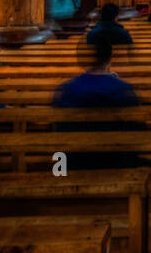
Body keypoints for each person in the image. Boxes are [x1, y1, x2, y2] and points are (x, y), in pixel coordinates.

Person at [52, 37, 142, 170]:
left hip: (73, 161)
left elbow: (57, 128)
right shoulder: (123, 90)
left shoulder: (65, 90)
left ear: (81, 60)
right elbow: (138, 129)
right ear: (109, 58)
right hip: (118, 161)